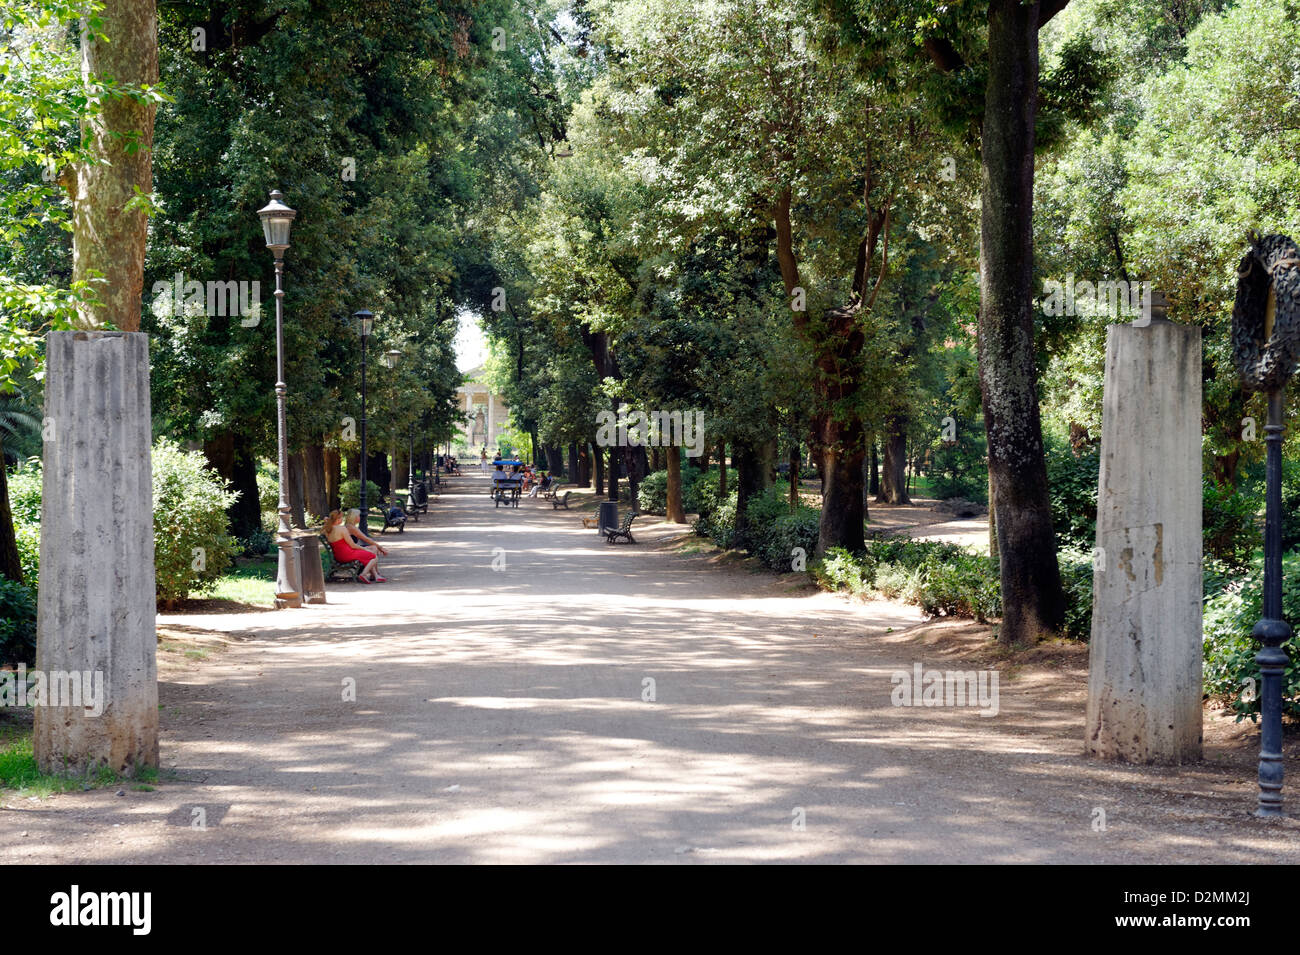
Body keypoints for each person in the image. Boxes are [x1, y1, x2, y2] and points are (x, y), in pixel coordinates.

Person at [323, 510, 380, 583]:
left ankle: (374, 575)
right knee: (374, 557)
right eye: (341, 518)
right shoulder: (342, 529)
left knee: (370, 553)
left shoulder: (327, 530)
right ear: (338, 519)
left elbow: (326, 524)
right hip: (348, 554)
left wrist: (327, 521)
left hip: (338, 556)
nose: (342, 519)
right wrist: (365, 549)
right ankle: (363, 574)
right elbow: (353, 545)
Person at [345, 508, 389, 581]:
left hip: (352, 548)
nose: (360, 517)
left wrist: (379, 547)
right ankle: (375, 574)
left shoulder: (350, 526)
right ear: (354, 517)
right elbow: (366, 539)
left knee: (374, 548)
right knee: (373, 548)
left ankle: (374, 574)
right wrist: (381, 548)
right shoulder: (351, 527)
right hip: (351, 550)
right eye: (359, 516)